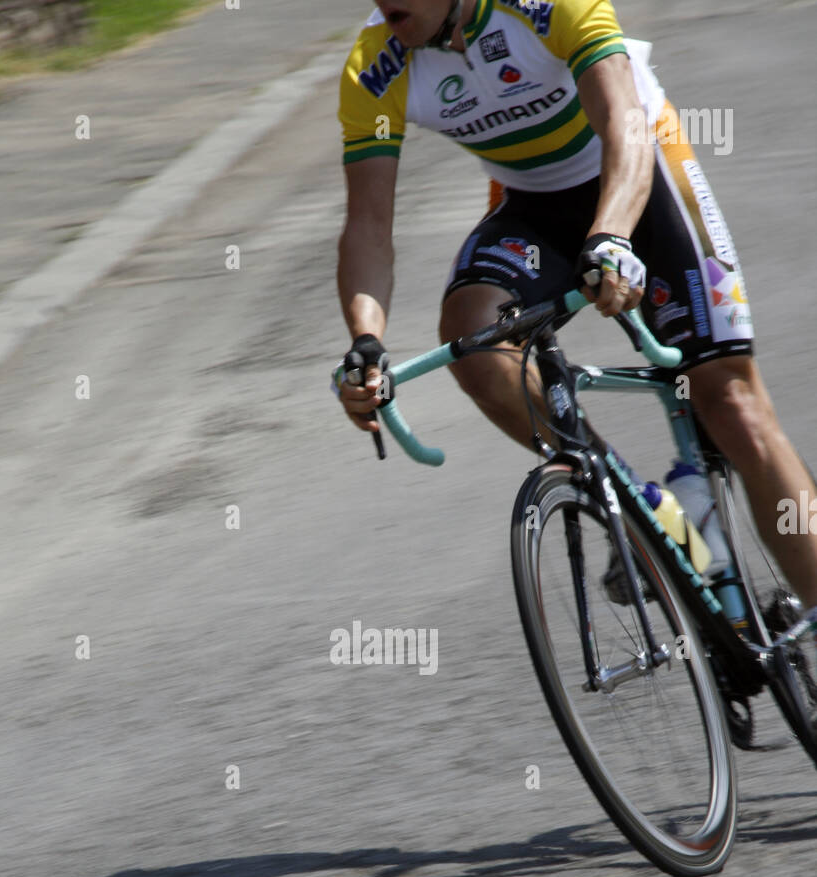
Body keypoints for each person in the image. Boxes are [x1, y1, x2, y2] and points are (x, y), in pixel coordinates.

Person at [335, 0, 817, 611]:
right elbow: (368, 223)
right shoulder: (375, 64)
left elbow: (625, 123)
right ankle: (640, 508)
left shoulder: (542, 7)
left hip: (640, 168)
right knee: (474, 341)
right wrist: (365, 343)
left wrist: (612, 234)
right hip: (534, 204)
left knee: (732, 404)